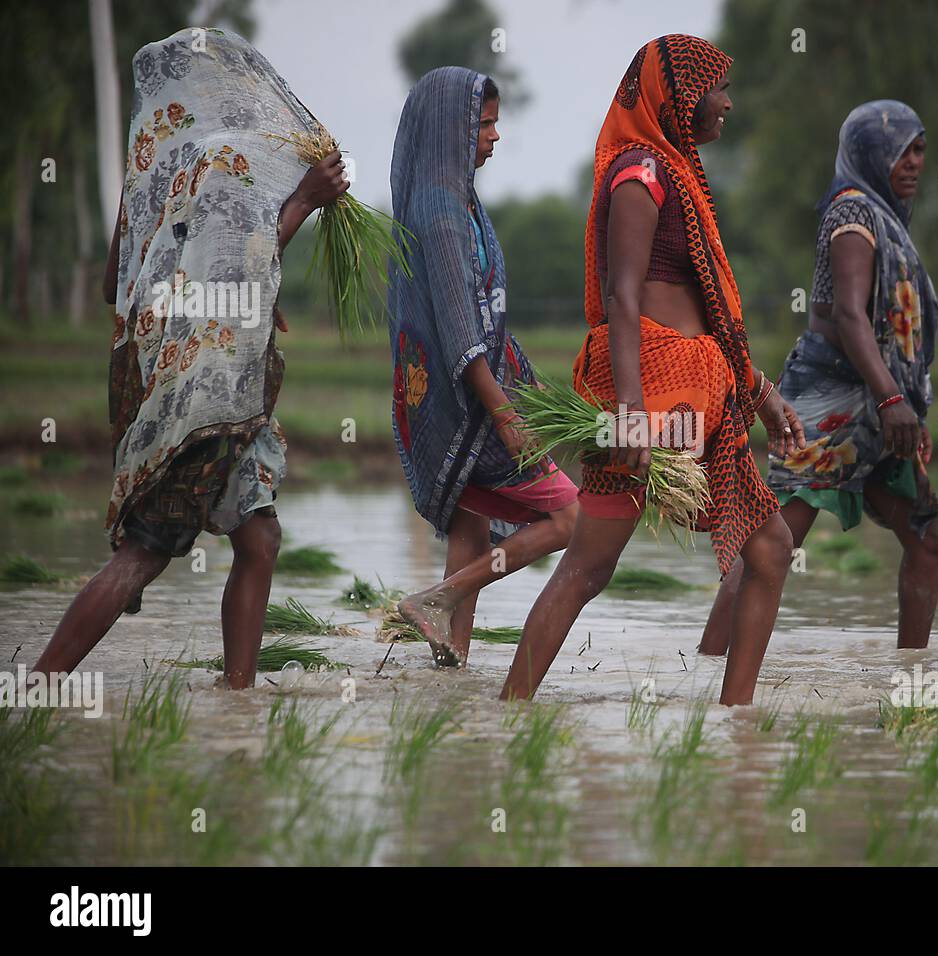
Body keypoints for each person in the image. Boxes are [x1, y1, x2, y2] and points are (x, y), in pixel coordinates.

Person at [31, 29, 347, 689]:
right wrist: (304, 203)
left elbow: (116, 281)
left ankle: (238, 700)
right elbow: (238, 272)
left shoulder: (152, 164)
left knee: (258, 541)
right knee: (146, 550)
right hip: (204, 390)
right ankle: (39, 687)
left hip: (212, 385)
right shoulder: (221, 158)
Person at [499, 35, 804, 706]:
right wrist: (632, 409)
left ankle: (737, 722)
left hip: (699, 395)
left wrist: (763, 394)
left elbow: (707, 310)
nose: (727, 102)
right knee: (587, 565)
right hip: (652, 396)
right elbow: (624, 296)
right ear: (681, 97)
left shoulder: (679, 174)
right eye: (717, 89)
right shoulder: (639, 171)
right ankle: (509, 712)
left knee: (771, 548)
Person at [700, 100, 938, 653]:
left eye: (920, 149)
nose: (914, 162)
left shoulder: (888, 219)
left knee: (927, 536)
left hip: (883, 407)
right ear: (868, 153)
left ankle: (911, 674)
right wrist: (890, 400)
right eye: (902, 150)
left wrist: (901, 404)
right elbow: (849, 315)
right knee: (774, 539)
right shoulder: (852, 213)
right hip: (832, 400)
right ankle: (710, 667)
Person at [388, 68, 579, 668]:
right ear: (453, 130)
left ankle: (451, 670)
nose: (495, 136)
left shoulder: (453, 199)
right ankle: (443, 596)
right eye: (485, 124)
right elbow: (460, 330)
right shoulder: (442, 213)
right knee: (569, 515)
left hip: (464, 397)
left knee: (469, 530)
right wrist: (504, 414)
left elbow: (481, 313)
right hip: (471, 402)